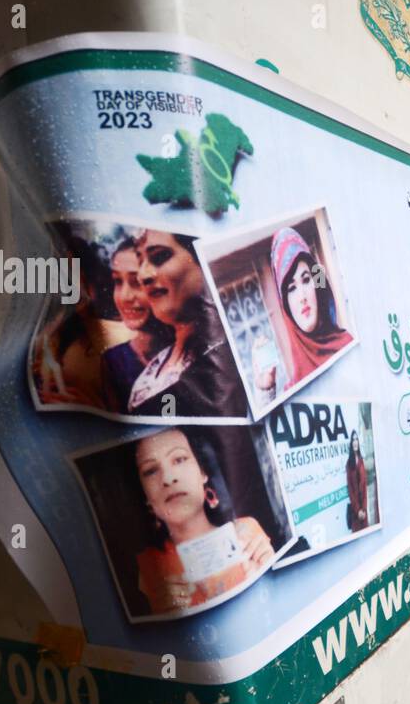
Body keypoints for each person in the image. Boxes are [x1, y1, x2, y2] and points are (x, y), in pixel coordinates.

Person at [132, 428, 275, 616]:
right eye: (150, 471)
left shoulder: (246, 532)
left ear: (203, 472)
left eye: (179, 459)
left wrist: (270, 571)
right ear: (146, 495)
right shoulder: (147, 568)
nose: (168, 478)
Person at [127, 229, 247, 419]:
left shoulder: (236, 352)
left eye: (159, 257)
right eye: (140, 262)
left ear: (200, 258)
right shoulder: (153, 370)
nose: (143, 275)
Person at [252, 226, 353, 405]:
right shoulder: (293, 393)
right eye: (291, 288)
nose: (302, 297)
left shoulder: (348, 345)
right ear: (286, 305)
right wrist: (265, 391)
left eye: (306, 280)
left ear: (317, 286)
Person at [33, 231, 130, 408]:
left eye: (74, 273)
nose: (68, 284)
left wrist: (93, 406)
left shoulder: (121, 335)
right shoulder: (65, 327)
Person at [101, 240, 172, 412]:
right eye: (118, 281)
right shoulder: (112, 362)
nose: (124, 296)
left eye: (136, 282)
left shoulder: (190, 353)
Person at [345, 430, 369, 532]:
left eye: (356, 439)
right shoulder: (349, 464)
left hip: (364, 511)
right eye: (353, 440)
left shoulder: (361, 460)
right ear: (351, 443)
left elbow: (364, 487)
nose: (355, 442)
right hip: (356, 513)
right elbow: (350, 490)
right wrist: (358, 510)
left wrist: (363, 509)